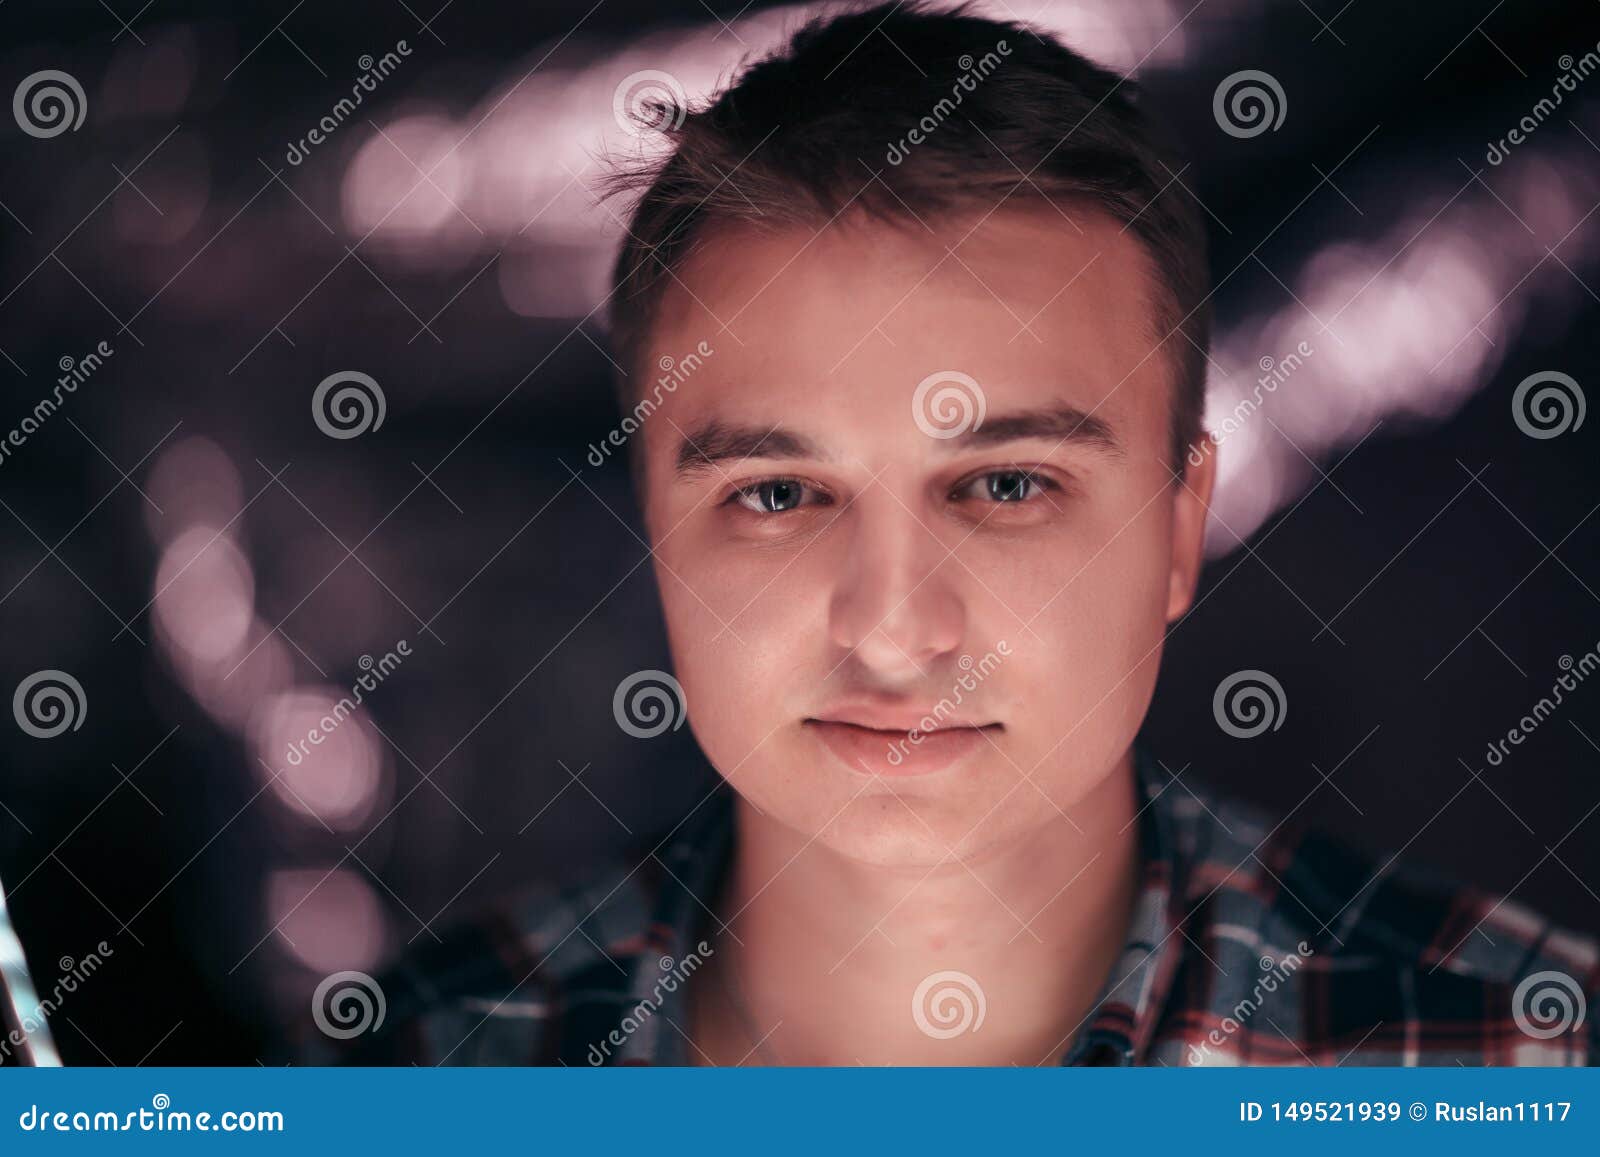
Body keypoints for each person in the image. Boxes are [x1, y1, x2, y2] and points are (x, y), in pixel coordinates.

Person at [307, 1, 1598, 1066]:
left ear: (1178, 528)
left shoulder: (1516, 1059)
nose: (892, 625)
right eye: (777, 494)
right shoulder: (412, 1068)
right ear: (655, 527)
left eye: (1005, 487)